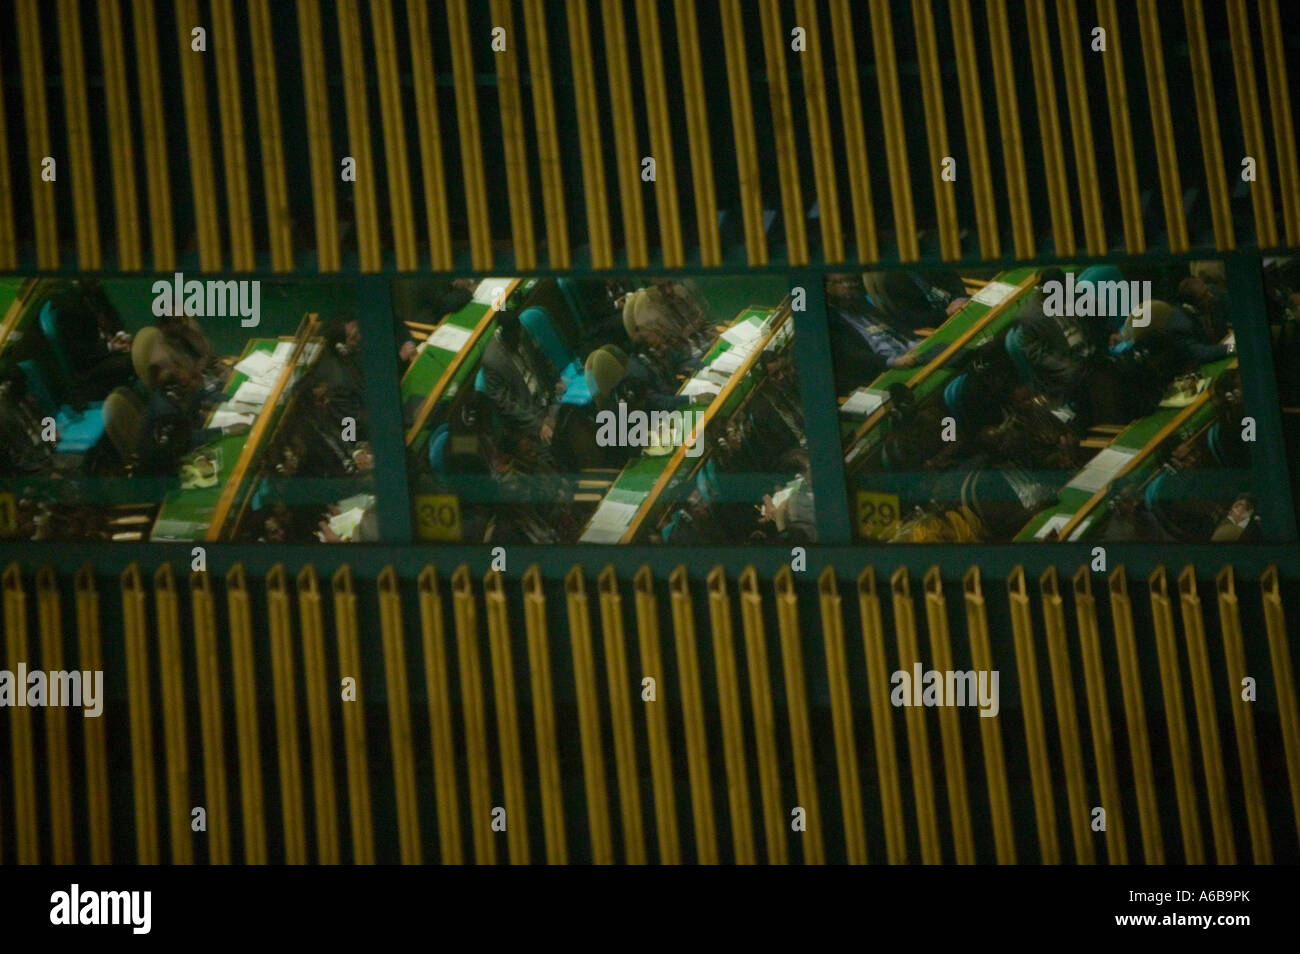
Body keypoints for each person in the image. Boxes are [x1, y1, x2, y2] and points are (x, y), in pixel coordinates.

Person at [46, 279, 134, 402]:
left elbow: (111, 315)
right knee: (134, 359)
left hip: (109, 350)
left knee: (142, 346)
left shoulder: (94, 287)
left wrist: (121, 335)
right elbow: (80, 354)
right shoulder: (65, 307)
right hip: (90, 367)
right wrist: (111, 347)